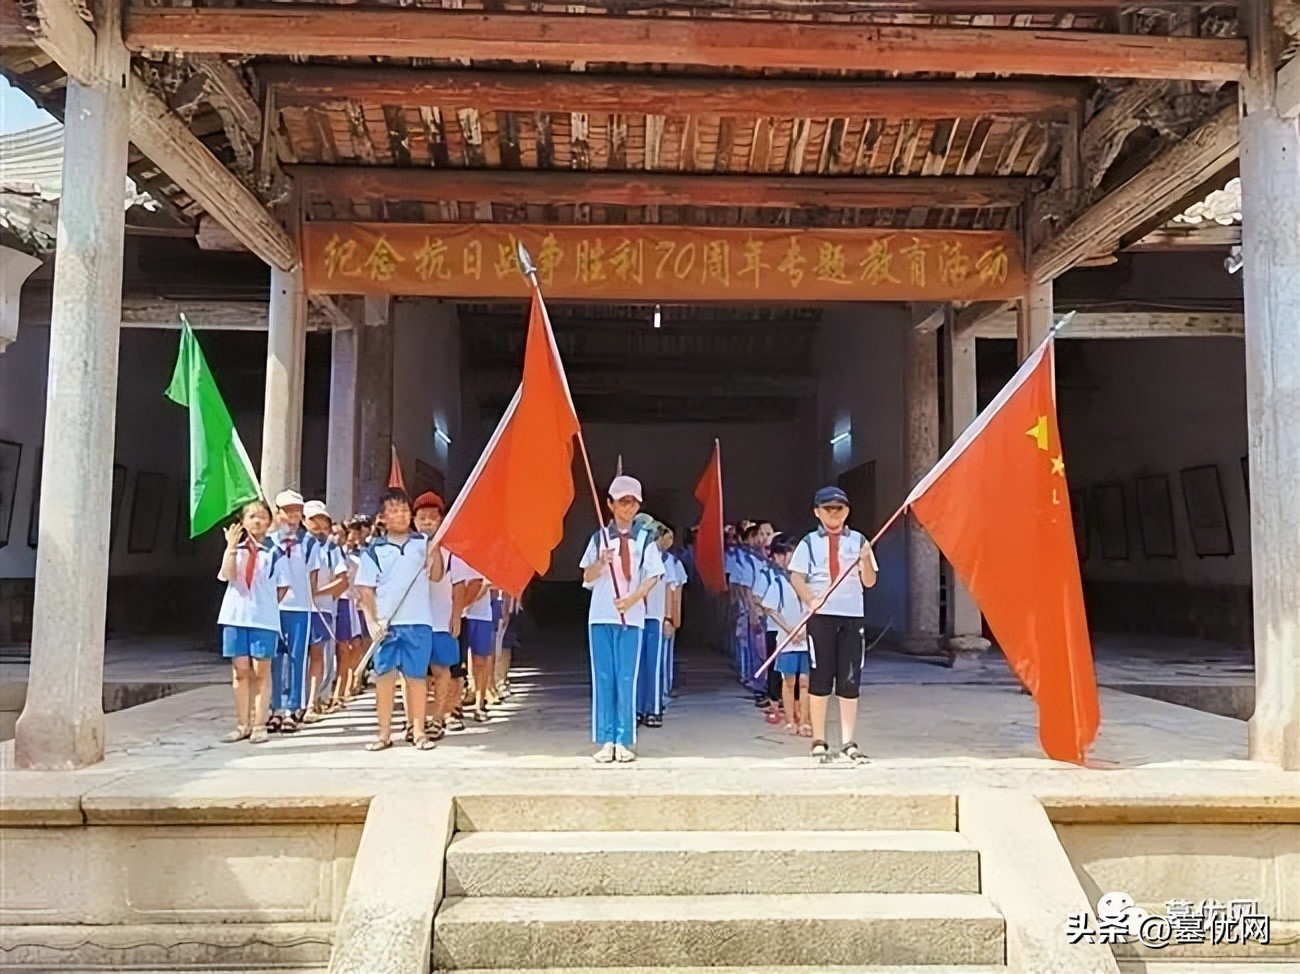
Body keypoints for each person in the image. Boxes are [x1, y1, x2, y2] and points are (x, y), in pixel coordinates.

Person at [789, 486, 878, 763]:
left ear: (847, 511)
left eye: (839, 509)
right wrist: (810, 598)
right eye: (828, 509)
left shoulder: (859, 541)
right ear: (817, 512)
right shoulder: (808, 543)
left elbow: (869, 581)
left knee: (849, 679)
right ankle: (819, 740)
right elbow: (796, 577)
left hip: (852, 615)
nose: (834, 514)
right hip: (822, 616)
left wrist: (866, 559)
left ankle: (848, 741)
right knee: (820, 677)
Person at [580, 475, 665, 763]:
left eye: (632, 502)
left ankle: (624, 739)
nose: (627, 508)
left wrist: (632, 600)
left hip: (632, 618)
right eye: (622, 502)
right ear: (610, 504)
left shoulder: (645, 539)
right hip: (601, 616)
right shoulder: (599, 538)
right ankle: (606, 739)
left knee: (626, 677)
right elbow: (586, 577)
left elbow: (653, 576)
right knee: (604, 678)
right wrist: (600, 562)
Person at [354, 488, 439, 751]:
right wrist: (372, 622)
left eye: (404, 510)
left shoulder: (422, 544)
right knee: (385, 678)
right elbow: (365, 589)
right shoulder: (374, 550)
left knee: (416, 679)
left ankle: (419, 731)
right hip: (387, 625)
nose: (401, 515)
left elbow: (436, 575)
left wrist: (435, 550)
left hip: (418, 621)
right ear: (382, 517)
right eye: (394, 511)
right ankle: (383, 733)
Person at [216, 499, 289, 744]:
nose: (257, 521)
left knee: (261, 671)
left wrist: (265, 605)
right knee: (240, 672)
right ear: (243, 522)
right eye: (252, 517)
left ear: (269, 522)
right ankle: (242, 724)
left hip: (263, 620)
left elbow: (282, 587)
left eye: (262, 517)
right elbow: (228, 575)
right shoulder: (237, 549)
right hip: (235, 617)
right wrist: (230, 547)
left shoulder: (276, 552)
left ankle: (259, 724)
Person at [412, 492, 457, 741]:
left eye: (432, 517)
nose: (427, 522)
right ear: (414, 520)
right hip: (412, 620)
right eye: (422, 517)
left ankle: (438, 718)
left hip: (441, 619)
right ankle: (415, 721)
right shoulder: (405, 548)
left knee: (441, 670)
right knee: (414, 674)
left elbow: (442, 577)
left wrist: (457, 615)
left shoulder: (450, 550)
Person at [760, 534, 812, 736]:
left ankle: (805, 720)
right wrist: (789, 629)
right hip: (786, 640)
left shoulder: (809, 582)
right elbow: (770, 608)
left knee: (805, 681)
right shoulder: (778, 583)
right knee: (789, 681)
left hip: (806, 640)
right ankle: (791, 720)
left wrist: (805, 630)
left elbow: (815, 608)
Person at [269, 490, 311, 733]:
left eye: (296, 511)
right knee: (274, 659)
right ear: (278, 513)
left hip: (300, 607)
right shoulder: (268, 542)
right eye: (288, 511)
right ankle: (274, 707)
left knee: (297, 658)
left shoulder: (309, 542)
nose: (292, 516)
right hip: (273, 608)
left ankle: (292, 709)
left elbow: (313, 576)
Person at [303, 500, 346, 723]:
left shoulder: (331, 549)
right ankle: (293, 704)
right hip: (296, 610)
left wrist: (319, 594)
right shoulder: (296, 545)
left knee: (318, 656)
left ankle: (313, 701)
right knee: (295, 657)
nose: (319, 527)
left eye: (323, 522)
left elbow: (343, 581)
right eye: (314, 522)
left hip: (322, 611)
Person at [331, 516, 371, 707]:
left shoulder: (359, 556)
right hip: (338, 602)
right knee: (342, 648)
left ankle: (348, 686)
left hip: (354, 603)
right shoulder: (332, 553)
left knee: (354, 645)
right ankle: (338, 691)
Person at [634, 514, 670, 729]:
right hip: (635, 616)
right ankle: (637, 709)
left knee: (653, 666)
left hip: (654, 616)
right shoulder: (633, 552)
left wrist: (668, 617)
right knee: (636, 666)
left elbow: (670, 591)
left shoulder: (662, 559)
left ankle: (653, 708)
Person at [450, 555, 495, 723]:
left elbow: (481, 583)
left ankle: (479, 703)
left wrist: (462, 605)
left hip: (480, 615)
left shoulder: (482, 556)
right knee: (456, 663)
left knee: (480, 660)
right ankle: (455, 706)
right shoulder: (453, 556)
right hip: (458, 616)